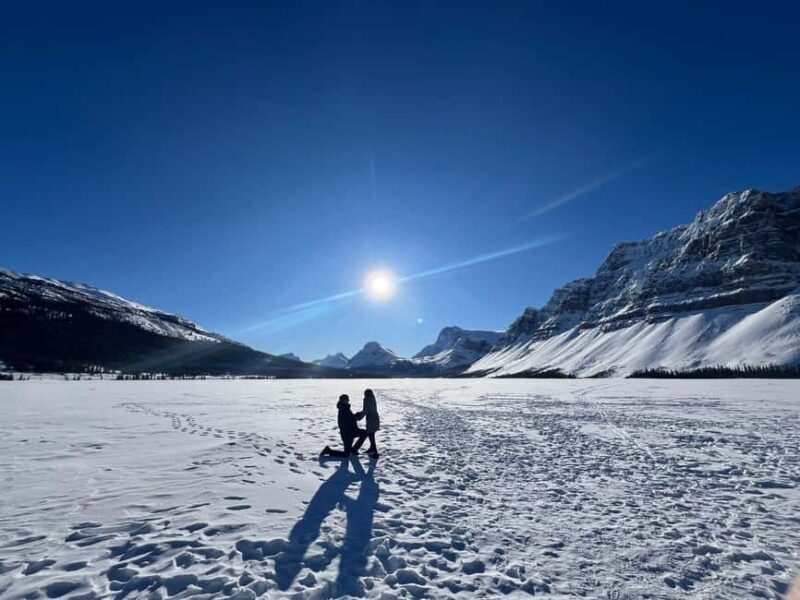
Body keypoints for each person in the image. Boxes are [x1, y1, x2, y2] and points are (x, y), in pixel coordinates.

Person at [352, 388, 380, 457]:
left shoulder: (367, 400)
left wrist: (358, 417)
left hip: (371, 419)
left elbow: (365, 410)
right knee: (371, 434)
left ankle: (374, 452)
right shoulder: (373, 399)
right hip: (375, 418)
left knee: (371, 435)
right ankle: (372, 448)